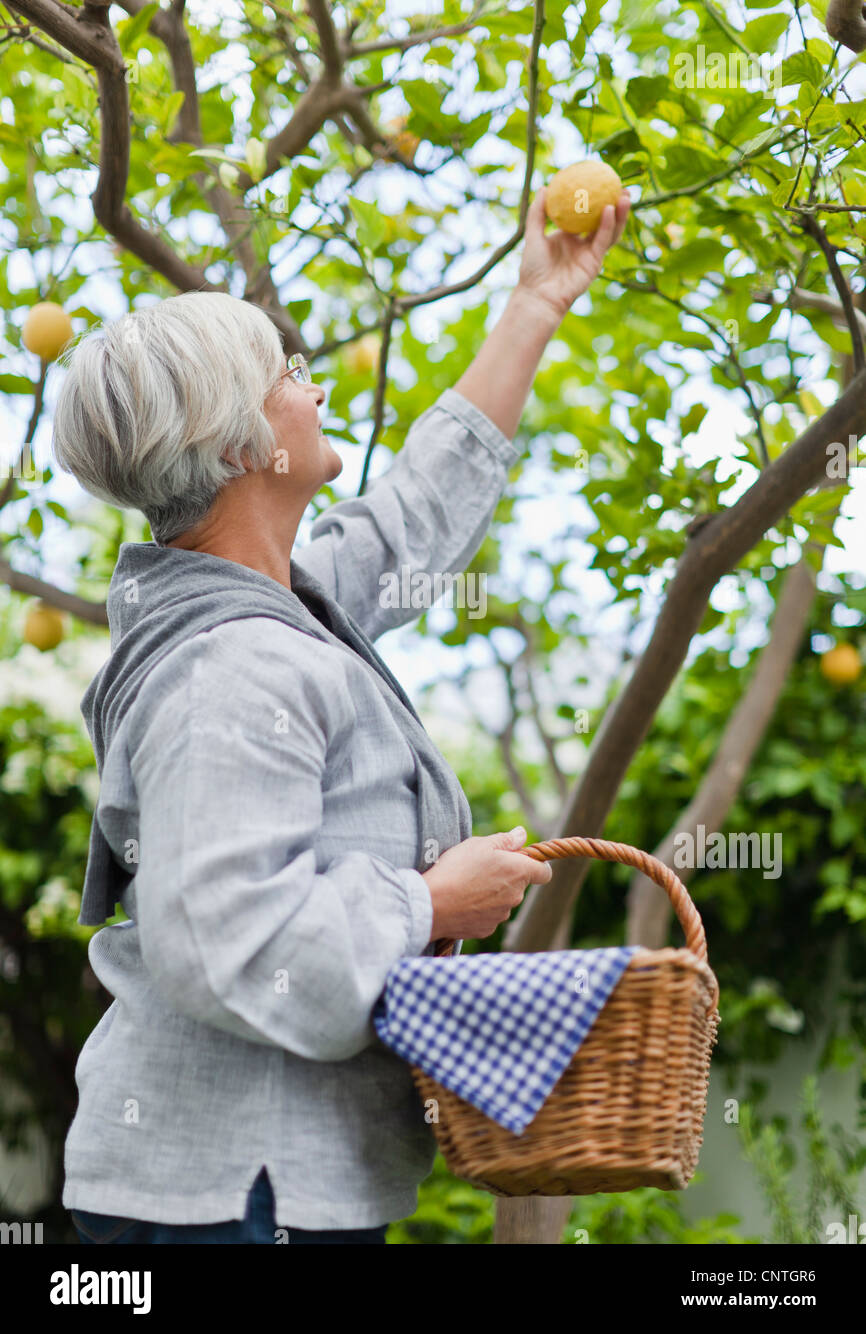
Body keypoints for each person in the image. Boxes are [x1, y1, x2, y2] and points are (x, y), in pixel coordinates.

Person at [53, 187, 630, 1244]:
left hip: (251, 1184)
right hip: (232, 1195)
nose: (310, 388)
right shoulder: (233, 662)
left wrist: (536, 305)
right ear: (237, 446)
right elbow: (221, 940)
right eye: (285, 376)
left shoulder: (277, 609)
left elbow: (411, 523)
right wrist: (426, 903)